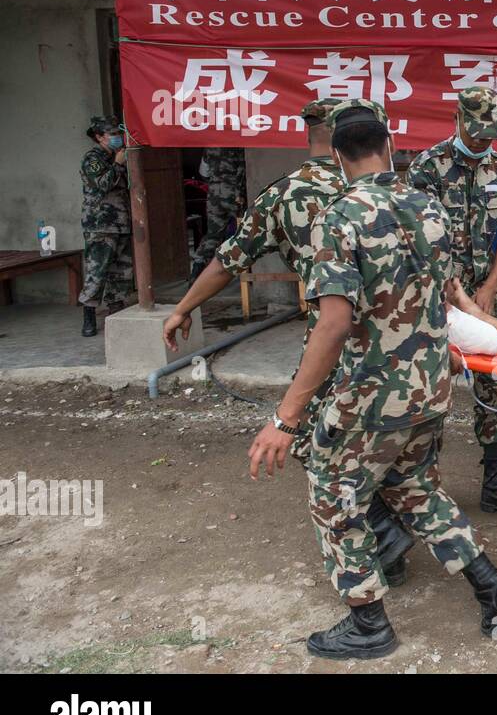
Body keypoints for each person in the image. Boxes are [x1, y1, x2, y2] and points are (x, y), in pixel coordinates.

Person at [247, 99, 497, 660]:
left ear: (338, 157)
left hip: (373, 395)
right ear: (390, 148)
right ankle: (494, 588)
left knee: (333, 491)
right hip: (431, 386)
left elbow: (333, 323)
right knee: (415, 489)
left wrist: (287, 416)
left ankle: (369, 624)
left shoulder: (339, 217)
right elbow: (449, 297)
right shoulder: (428, 206)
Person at [162, 101, 419, 586]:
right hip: (402, 345)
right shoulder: (397, 189)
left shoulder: (286, 193)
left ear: (311, 134)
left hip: (331, 338)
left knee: (305, 434)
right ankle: (393, 543)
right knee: (385, 443)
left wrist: (183, 307)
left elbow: (228, 262)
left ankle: (380, 539)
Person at [406, 86, 497, 522]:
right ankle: (421, 492)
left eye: (489, 134)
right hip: (434, 301)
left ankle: (495, 485)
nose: (482, 141)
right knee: (430, 391)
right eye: (475, 131)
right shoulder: (427, 168)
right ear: (457, 119)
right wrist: (446, 291)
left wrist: (490, 289)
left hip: (482, 297)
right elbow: (414, 241)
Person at [78, 116, 133, 337]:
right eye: (112, 135)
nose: (117, 138)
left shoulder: (117, 156)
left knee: (121, 271)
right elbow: (102, 184)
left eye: (118, 134)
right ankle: (89, 314)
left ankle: (116, 310)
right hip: (101, 224)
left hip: (121, 222)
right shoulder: (93, 159)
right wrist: (118, 164)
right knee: (97, 271)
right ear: (99, 137)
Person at [191, 146, 246, 281]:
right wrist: (240, 192)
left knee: (213, 235)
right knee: (246, 233)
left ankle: (196, 271)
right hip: (235, 194)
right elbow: (243, 170)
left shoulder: (209, 147)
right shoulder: (238, 145)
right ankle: (245, 277)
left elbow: (203, 172)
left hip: (214, 194)